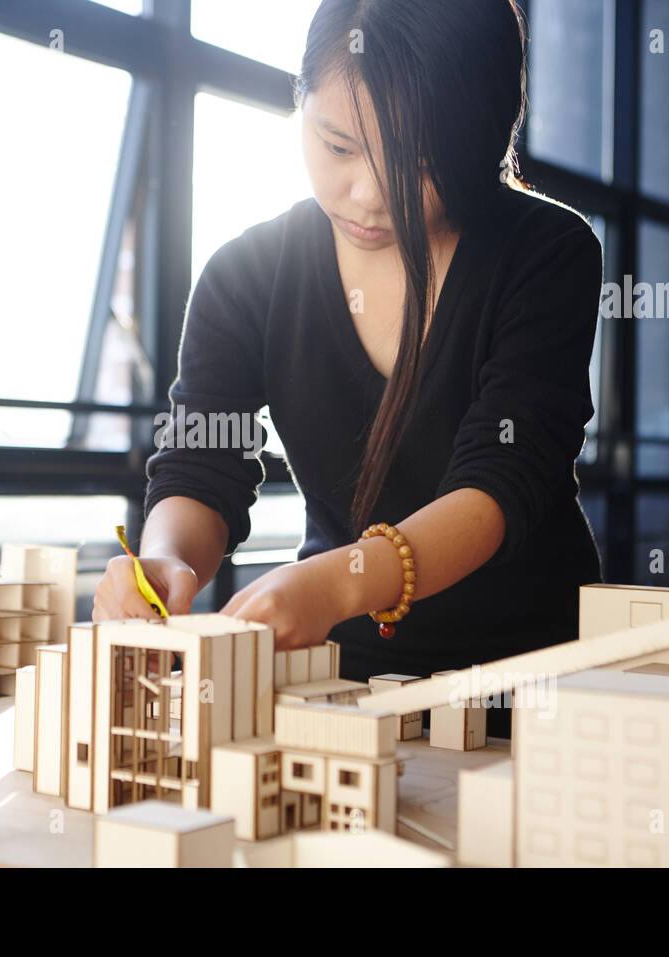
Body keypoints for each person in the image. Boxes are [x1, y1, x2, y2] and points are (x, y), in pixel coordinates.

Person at [92, 0, 603, 738]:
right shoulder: (247, 276)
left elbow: (501, 481)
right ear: (300, 103)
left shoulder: (546, 254)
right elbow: (201, 468)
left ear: (484, 136)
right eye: (336, 147)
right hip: (345, 681)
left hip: (532, 680)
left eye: (418, 164)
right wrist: (164, 563)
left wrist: (335, 581)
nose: (366, 196)